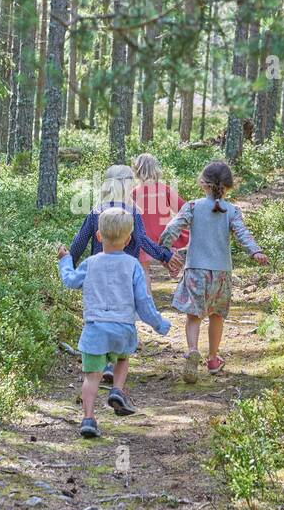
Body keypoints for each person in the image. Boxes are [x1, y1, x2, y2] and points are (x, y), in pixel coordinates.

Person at [57, 208, 171, 438]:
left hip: (95, 329)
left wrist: (65, 259)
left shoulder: (91, 263)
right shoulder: (133, 266)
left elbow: (70, 280)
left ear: (98, 236)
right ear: (129, 239)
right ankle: (117, 390)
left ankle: (88, 418)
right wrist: (159, 324)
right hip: (123, 329)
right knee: (122, 358)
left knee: (92, 377)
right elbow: (143, 302)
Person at [67, 166, 180, 384]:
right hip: (124, 275)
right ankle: (115, 361)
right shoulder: (131, 211)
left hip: (98, 275)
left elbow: (80, 241)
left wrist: (68, 263)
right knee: (122, 315)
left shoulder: (97, 211)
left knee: (99, 314)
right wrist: (164, 255)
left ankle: (102, 363)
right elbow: (142, 240)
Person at [160, 160, 268, 382]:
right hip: (221, 273)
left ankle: (192, 350)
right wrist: (255, 251)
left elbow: (172, 228)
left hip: (195, 271)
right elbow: (242, 234)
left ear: (203, 183)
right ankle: (212, 358)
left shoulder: (192, 206)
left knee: (194, 314)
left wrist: (166, 251)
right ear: (228, 186)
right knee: (217, 315)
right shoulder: (232, 211)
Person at [129, 153, 188, 294]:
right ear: (156, 170)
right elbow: (184, 209)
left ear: (137, 170)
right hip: (163, 235)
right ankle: (172, 263)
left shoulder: (134, 193)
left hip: (143, 237)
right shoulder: (165, 190)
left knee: (144, 269)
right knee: (165, 250)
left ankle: (147, 303)